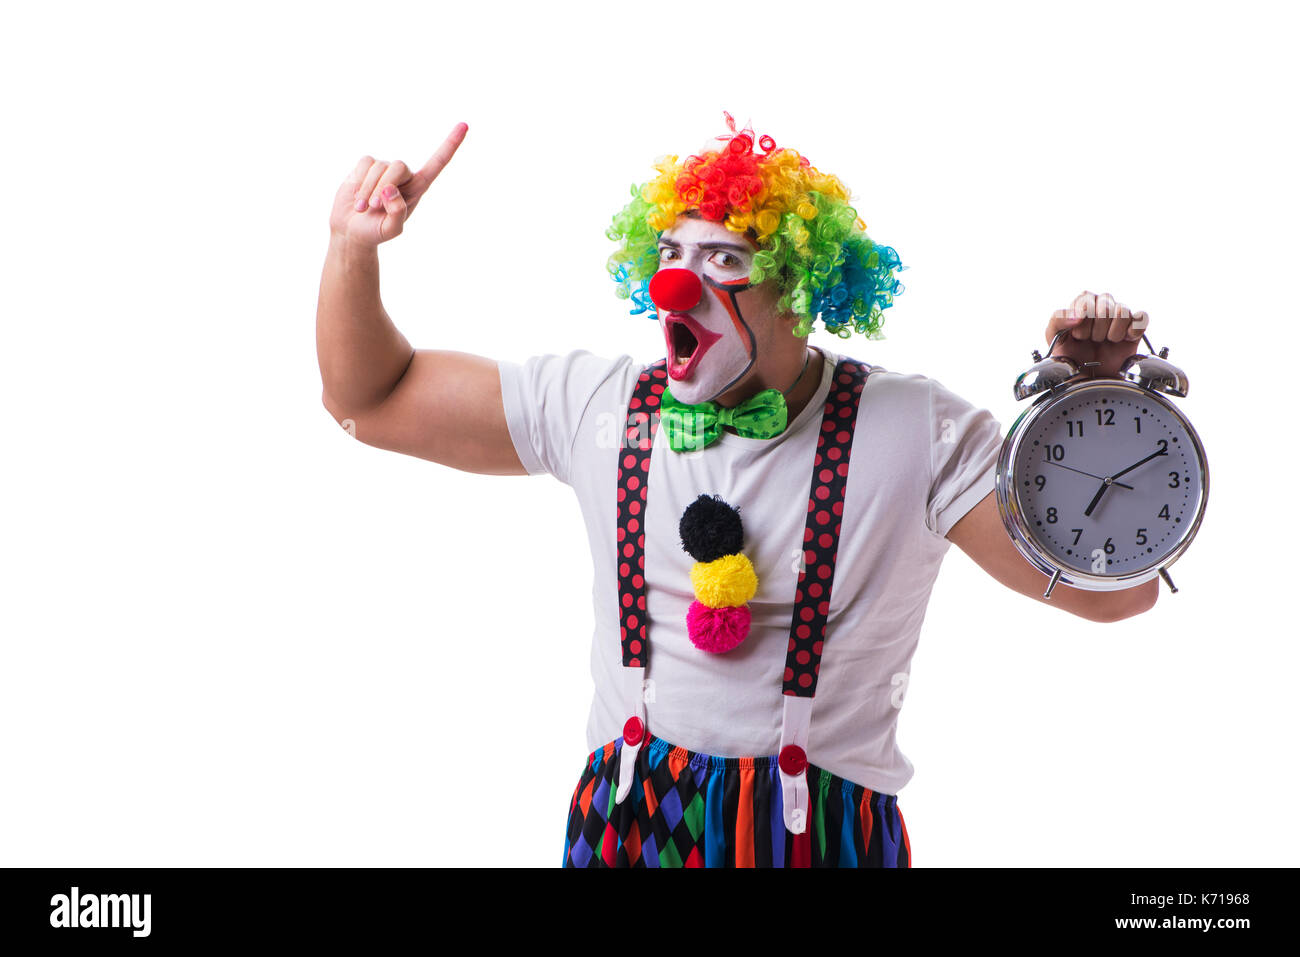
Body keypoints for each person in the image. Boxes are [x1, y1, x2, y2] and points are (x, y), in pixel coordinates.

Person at [316, 115, 1160, 867]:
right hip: (628, 818)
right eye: (672, 254)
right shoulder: (599, 406)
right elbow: (371, 399)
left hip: (822, 828)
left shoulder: (915, 428)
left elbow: (1113, 596)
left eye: (725, 260)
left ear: (801, 291)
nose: (677, 284)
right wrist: (352, 251)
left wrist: (1089, 404)